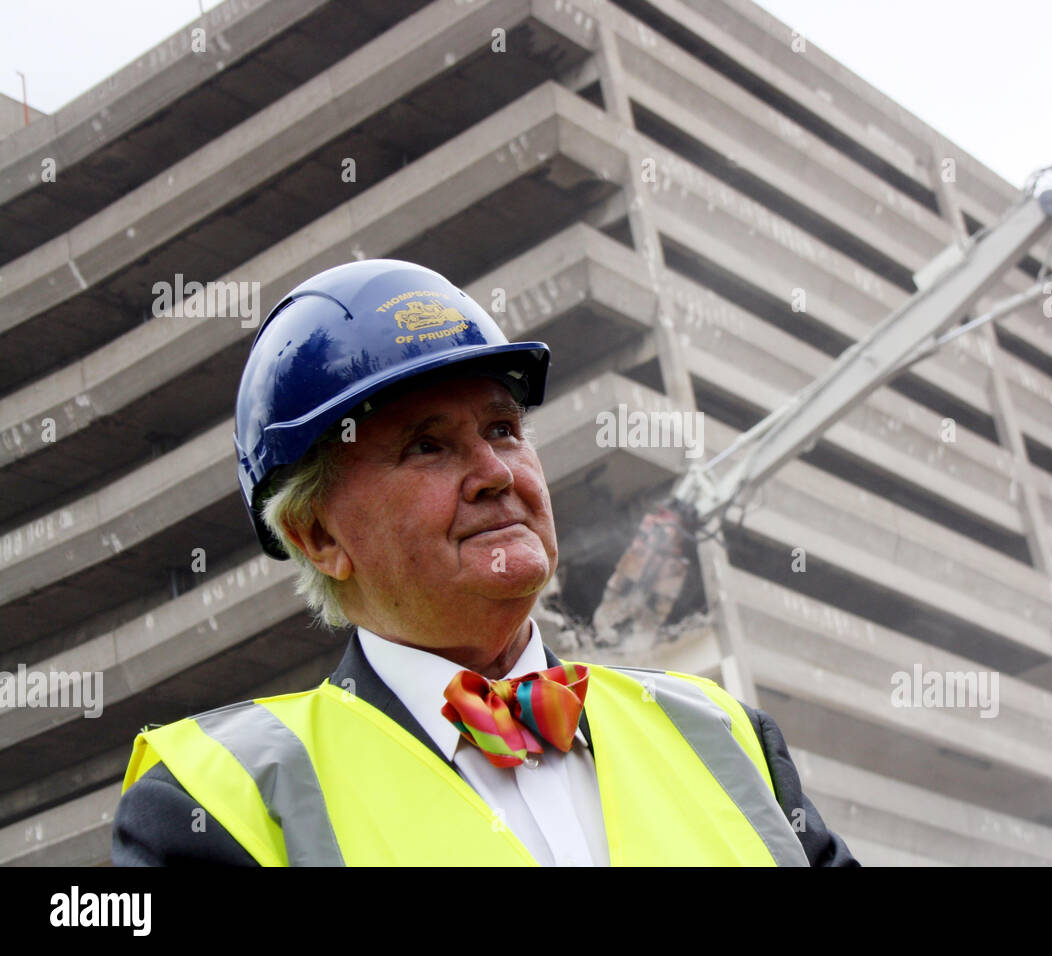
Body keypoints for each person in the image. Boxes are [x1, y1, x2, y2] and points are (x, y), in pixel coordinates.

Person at [111, 259, 858, 866]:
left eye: (503, 429)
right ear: (317, 538)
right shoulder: (213, 800)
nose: (496, 473)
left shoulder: (723, 735)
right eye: (427, 446)